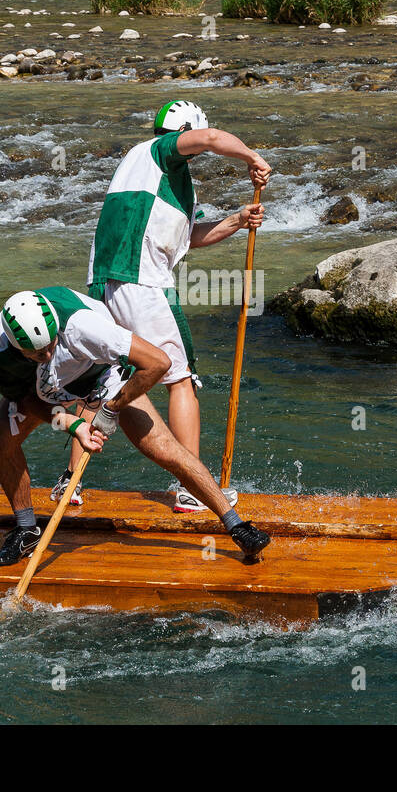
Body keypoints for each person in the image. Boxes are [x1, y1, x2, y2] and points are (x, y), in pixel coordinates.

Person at [0, 286, 271, 566]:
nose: (46, 355)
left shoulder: (84, 326)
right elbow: (25, 399)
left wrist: (110, 408)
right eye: (36, 353)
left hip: (105, 377)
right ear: (15, 347)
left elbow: (158, 362)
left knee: (165, 450)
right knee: (0, 436)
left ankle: (236, 526)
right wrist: (71, 424)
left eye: (51, 346)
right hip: (45, 391)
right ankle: (27, 528)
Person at [79, 100, 270, 512]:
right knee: (180, 379)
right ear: (185, 134)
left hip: (105, 282)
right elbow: (214, 138)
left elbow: (189, 239)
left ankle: (69, 483)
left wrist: (237, 220)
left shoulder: (156, 174)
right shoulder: (160, 152)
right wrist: (253, 157)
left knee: (104, 377)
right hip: (142, 283)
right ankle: (191, 487)